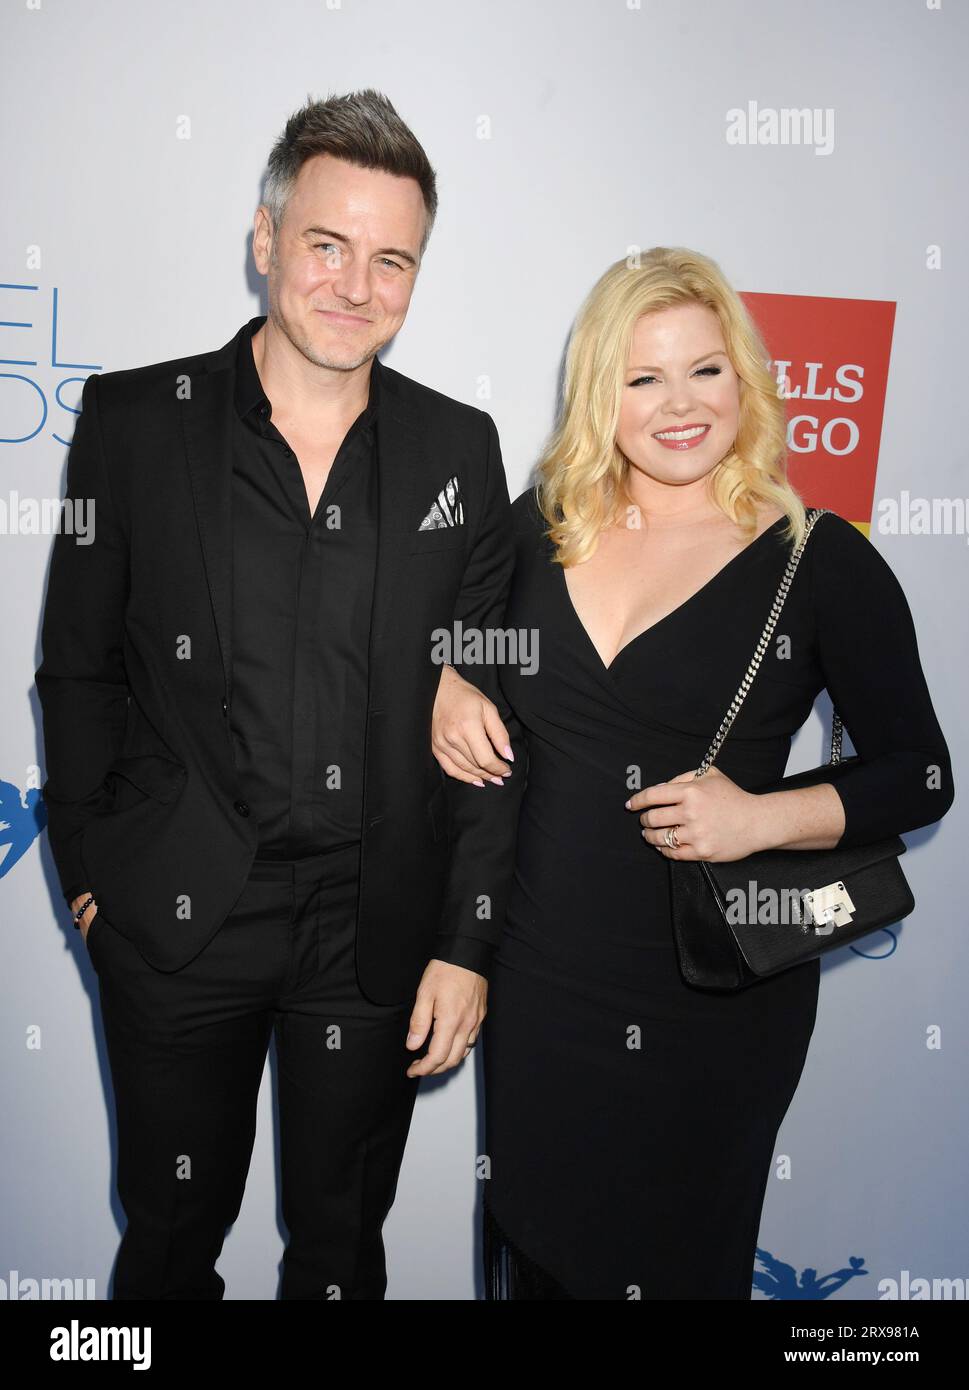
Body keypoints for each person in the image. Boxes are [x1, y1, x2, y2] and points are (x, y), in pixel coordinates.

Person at [35, 89, 525, 1300]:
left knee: (341, 1253)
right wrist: (95, 882)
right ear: (265, 240)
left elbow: (492, 714)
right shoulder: (138, 421)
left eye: (391, 258)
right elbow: (77, 665)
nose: (357, 286)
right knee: (165, 1248)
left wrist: (465, 943)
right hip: (178, 918)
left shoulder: (460, 452)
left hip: (370, 931)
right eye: (326, 244)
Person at [430, 246, 955, 1299]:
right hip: (540, 978)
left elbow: (922, 775)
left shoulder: (819, 558)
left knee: (670, 1265)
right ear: (601, 394)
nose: (680, 405)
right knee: (536, 1252)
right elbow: (478, 666)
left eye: (705, 370)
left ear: (746, 378)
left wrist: (760, 818)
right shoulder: (544, 525)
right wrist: (446, 675)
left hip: (707, 999)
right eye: (644, 377)